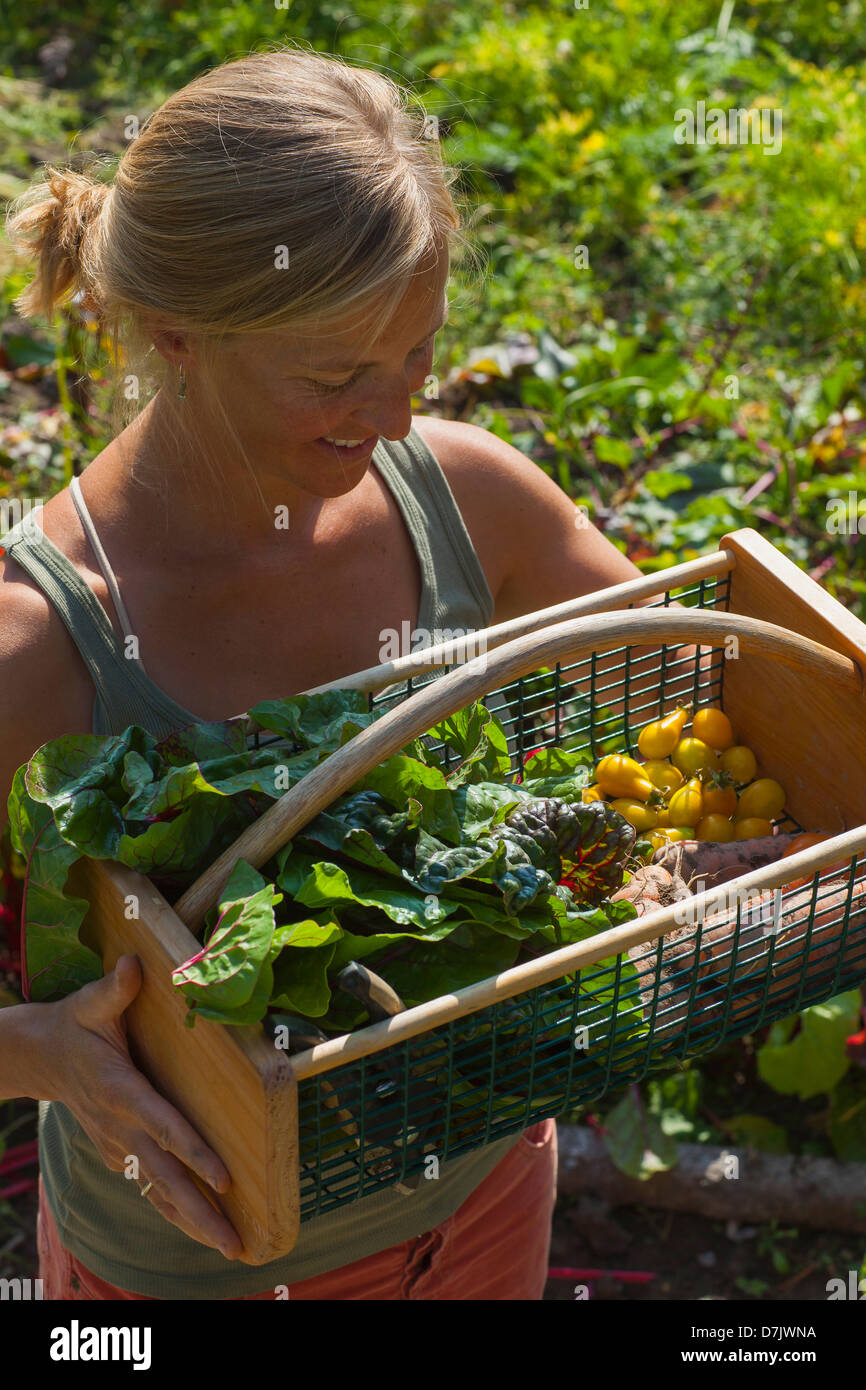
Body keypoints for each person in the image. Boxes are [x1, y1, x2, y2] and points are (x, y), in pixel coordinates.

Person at [0, 45, 674, 1300]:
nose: (397, 416)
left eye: (416, 356)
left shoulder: (464, 504)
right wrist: (46, 1054)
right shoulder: (43, 645)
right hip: (191, 1272)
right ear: (175, 333)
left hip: (479, 1193)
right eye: (334, 377)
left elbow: (700, 686)